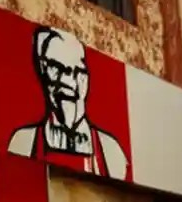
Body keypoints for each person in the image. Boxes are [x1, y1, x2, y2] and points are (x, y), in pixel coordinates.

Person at [8, 26, 128, 180]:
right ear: (42, 73)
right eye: (56, 69)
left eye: (78, 71)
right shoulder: (23, 143)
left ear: (87, 78)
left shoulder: (111, 150)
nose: (67, 81)